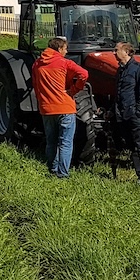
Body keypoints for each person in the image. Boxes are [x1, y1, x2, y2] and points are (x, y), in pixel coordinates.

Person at [32, 36, 89, 179]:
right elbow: (84, 74)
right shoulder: (64, 63)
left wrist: (42, 101)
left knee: (51, 141)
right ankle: (62, 174)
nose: (66, 51)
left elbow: (36, 86)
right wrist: (74, 90)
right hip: (65, 107)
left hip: (47, 108)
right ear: (59, 48)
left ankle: (53, 168)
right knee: (65, 142)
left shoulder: (37, 64)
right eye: (65, 49)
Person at [114, 41, 140, 186]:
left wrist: (138, 111)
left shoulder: (139, 69)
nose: (114, 53)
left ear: (127, 52)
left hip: (135, 114)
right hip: (123, 113)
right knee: (132, 145)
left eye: (116, 50)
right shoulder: (120, 70)